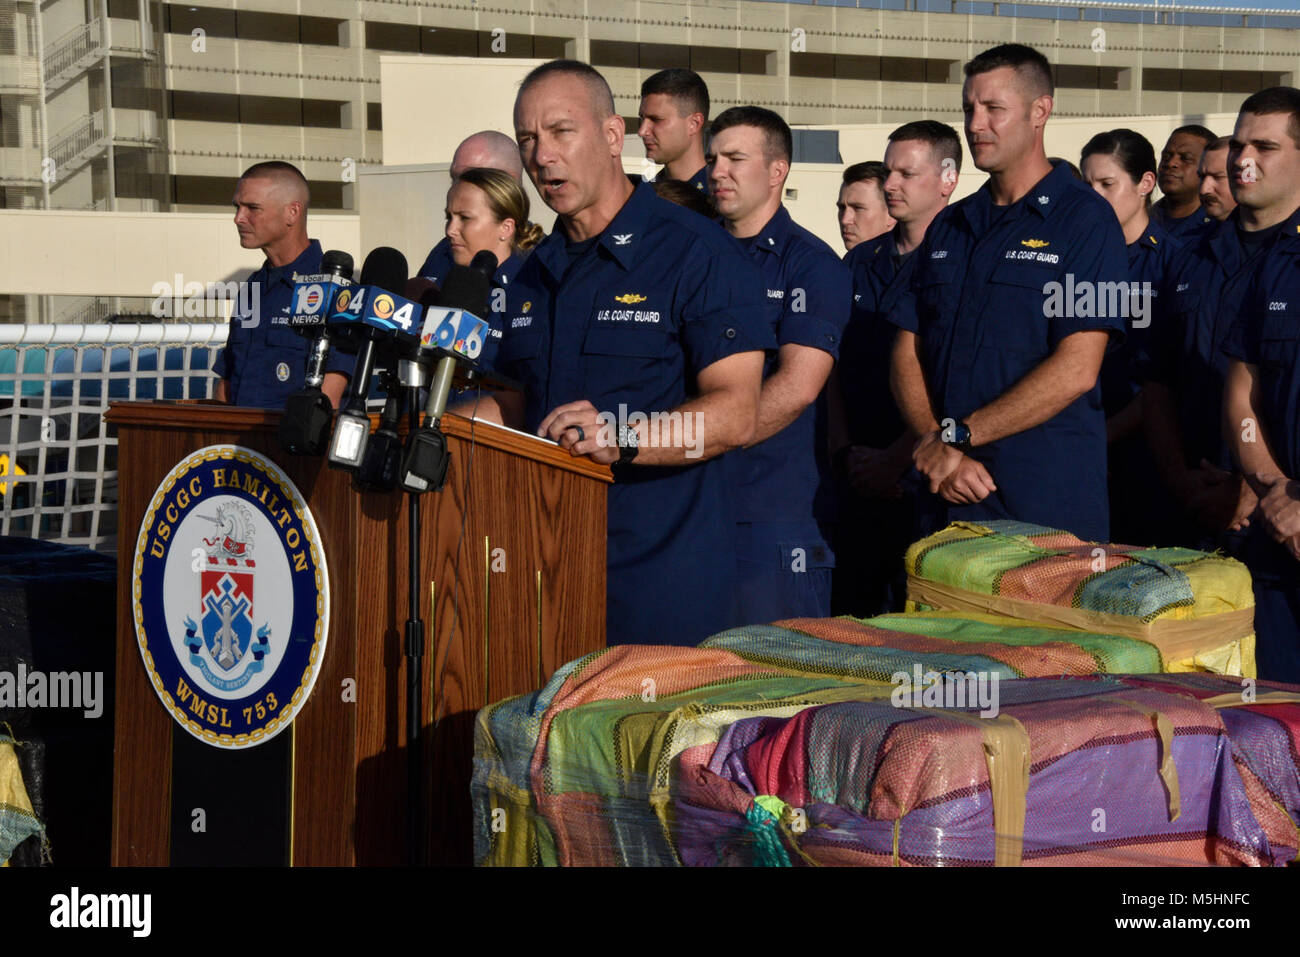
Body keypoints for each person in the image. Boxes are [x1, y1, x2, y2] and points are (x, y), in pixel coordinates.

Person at [459, 60, 773, 647]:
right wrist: (435, 421)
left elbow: (736, 414)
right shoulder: (531, 274)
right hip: (545, 578)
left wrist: (623, 435)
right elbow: (521, 405)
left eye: (560, 132)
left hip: (661, 593)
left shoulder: (694, 253)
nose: (542, 155)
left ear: (611, 135)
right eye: (528, 139)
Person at [888, 43, 1128, 544]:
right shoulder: (951, 225)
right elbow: (907, 349)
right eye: (969, 108)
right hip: (943, 496)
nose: (976, 124)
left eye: (994, 108)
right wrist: (936, 444)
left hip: (1041, 504)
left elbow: (1079, 368)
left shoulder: (1086, 222)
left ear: (1040, 111)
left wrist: (960, 436)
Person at [708, 106, 852, 624]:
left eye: (734, 158)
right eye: (713, 158)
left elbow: (798, 387)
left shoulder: (810, 266)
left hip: (772, 517)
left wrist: (699, 439)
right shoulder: (693, 256)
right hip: (694, 507)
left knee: (774, 686)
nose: (717, 170)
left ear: (777, 171)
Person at [829, 120, 961, 617]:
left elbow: (956, 381)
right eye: (888, 172)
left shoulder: (961, 261)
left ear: (947, 179)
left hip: (925, 477)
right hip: (855, 475)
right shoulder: (857, 263)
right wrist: (844, 454)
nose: (891, 184)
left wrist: (897, 460)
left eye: (907, 173)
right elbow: (832, 368)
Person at [1218, 87, 1300, 683]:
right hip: (1278, 543)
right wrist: (1272, 487)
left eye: (1266, 146)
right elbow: (1242, 389)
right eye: (1240, 143)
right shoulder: (1274, 262)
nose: (1244, 158)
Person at [1080, 128, 1181, 545]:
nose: (1093, 196)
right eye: (1087, 185)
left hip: (1148, 454)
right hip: (1079, 448)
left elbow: (1167, 372)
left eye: (1107, 184)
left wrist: (1105, 436)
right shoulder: (1074, 260)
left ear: (1145, 183)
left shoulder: (1174, 262)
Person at [213, 161, 351, 409]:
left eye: (252, 208)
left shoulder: (336, 290)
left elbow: (329, 398)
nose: (238, 218)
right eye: (237, 207)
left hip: (293, 443)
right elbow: (227, 383)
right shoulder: (253, 287)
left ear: (292, 213)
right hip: (240, 444)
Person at [444, 167, 545, 370]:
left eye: (464, 218)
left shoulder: (534, 290)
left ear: (506, 228)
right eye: (449, 217)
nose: (450, 230)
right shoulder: (450, 282)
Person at [417, 130, 524, 286]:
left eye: (470, 177)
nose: (457, 187)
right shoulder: (442, 254)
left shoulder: (541, 263)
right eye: (454, 178)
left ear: (508, 183)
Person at [637, 68, 711, 194]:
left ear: (694, 123)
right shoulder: (643, 195)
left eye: (656, 120)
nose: (642, 131)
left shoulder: (722, 200)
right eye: (642, 119)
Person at [1150, 125, 1217, 241]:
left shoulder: (1217, 227)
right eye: (1166, 156)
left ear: (1207, 168)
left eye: (1185, 158)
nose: (1171, 163)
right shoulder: (1143, 220)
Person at [836, 161, 894, 253]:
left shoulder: (918, 264)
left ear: (891, 215)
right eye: (842, 208)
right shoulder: (837, 265)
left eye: (858, 208)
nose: (845, 220)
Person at [1197, 135, 1237, 224]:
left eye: (1217, 177)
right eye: (1201, 177)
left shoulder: (1271, 235)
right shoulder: (1192, 235)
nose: (1204, 190)